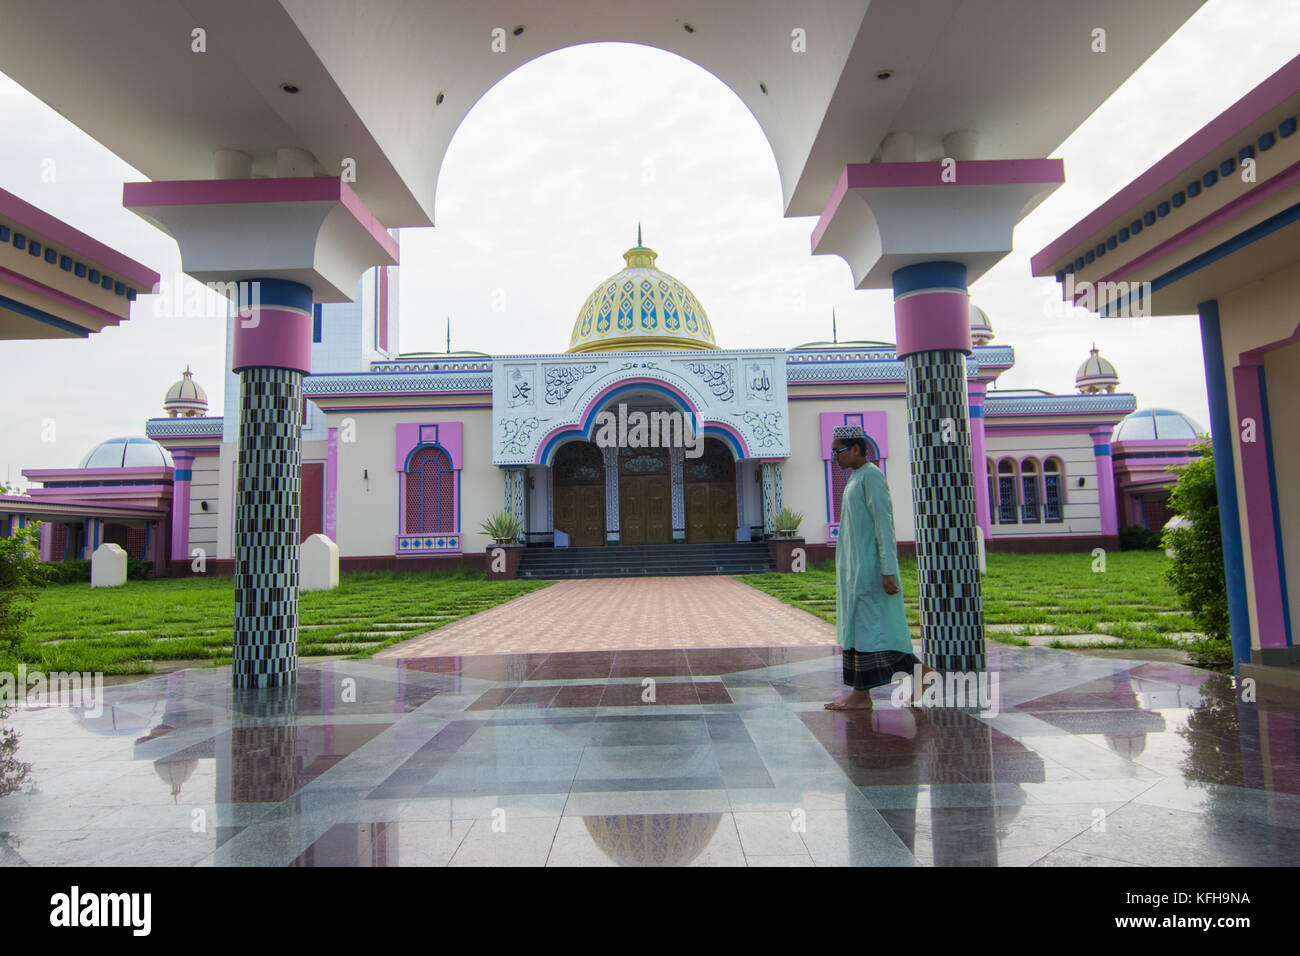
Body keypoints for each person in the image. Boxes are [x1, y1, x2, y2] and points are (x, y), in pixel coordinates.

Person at [824, 425, 935, 710]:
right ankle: (865, 694)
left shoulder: (872, 478)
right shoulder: (855, 479)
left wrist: (887, 570)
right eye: (834, 451)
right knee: (867, 630)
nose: (835, 456)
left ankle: (884, 686)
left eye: (839, 450)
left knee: (873, 628)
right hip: (856, 570)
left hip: (871, 570)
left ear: (858, 449)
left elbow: (884, 526)